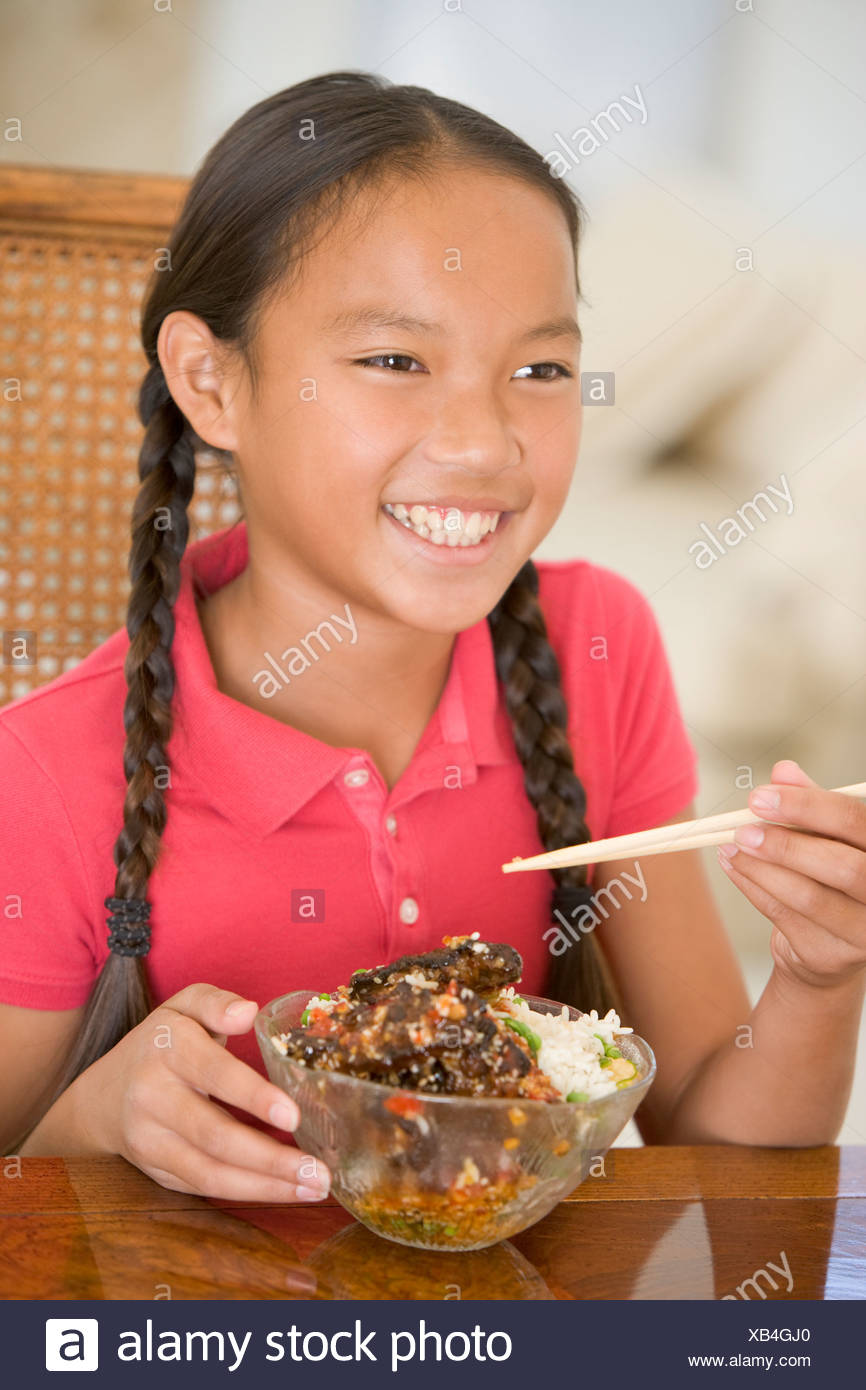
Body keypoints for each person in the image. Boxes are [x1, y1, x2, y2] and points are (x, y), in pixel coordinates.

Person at [2, 73, 864, 1200]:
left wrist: (818, 973)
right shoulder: (51, 769)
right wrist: (91, 1123)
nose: (482, 440)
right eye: (396, 361)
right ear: (211, 383)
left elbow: (718, 1146)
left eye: (539, 369)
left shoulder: (592, 644)